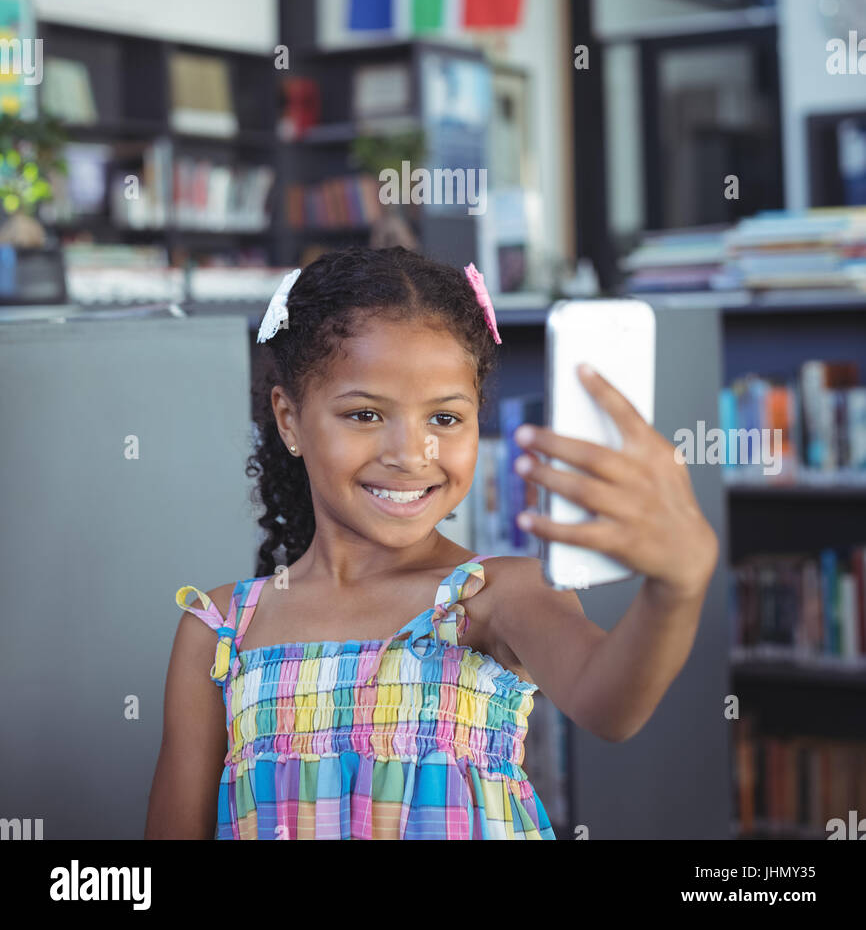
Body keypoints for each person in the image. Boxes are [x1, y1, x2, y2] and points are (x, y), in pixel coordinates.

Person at [144, 245, 718, 840]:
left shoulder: (494, 595)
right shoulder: (219, 633)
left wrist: (677, 588)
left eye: (444, 419)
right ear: (289, 419)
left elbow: (611, 704)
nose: (409, 454)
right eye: (365, 415)